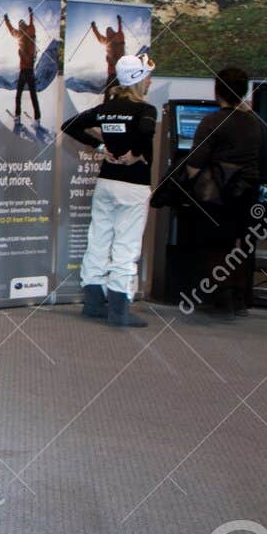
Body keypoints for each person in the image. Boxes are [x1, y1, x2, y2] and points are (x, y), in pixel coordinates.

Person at [61, 54, 157, 328]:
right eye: (147, 76)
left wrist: (102, 147)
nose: (150, 80)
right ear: (138, 79)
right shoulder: (146, 110)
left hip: (105, 182)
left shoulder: (106, 109)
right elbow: (147, 131)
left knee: (99, 239)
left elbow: (69, 125)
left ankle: (92, 303)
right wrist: (135, 153)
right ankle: (119, 309)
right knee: (126, 245)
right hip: (133, 186)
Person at [168, 66, 266, 315]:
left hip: (218, 195)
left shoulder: (212, 121)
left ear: (217, 91)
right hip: (247, 194)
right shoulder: (254, 122)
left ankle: (220, 295)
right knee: (238, 243)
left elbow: (193, 166)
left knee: (214, 244)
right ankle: (237, 296)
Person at [4, 8, 41, 122]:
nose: (20, 26)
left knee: (19, 95)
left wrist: (7, 20)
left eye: (20, 24)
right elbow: (30, 23)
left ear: (21, 26)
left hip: (25, 70)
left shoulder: (23, 33)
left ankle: (18, 115)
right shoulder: (30, 31)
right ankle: (37, 117)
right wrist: (30, 13)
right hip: (28, 70)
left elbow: (12, 30)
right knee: (33, 96)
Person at [91, 14, 125, 101]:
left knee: (108, 93)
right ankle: (114, 107)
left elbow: (99, 37)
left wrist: (94, 28)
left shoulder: (111, 40)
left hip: (113, 72)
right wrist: (119, 20)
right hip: (119, 72)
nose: (108, 33)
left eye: (108, 32)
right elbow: (120, 30)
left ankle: (107, 107)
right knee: (116, 93)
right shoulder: (118, 38)